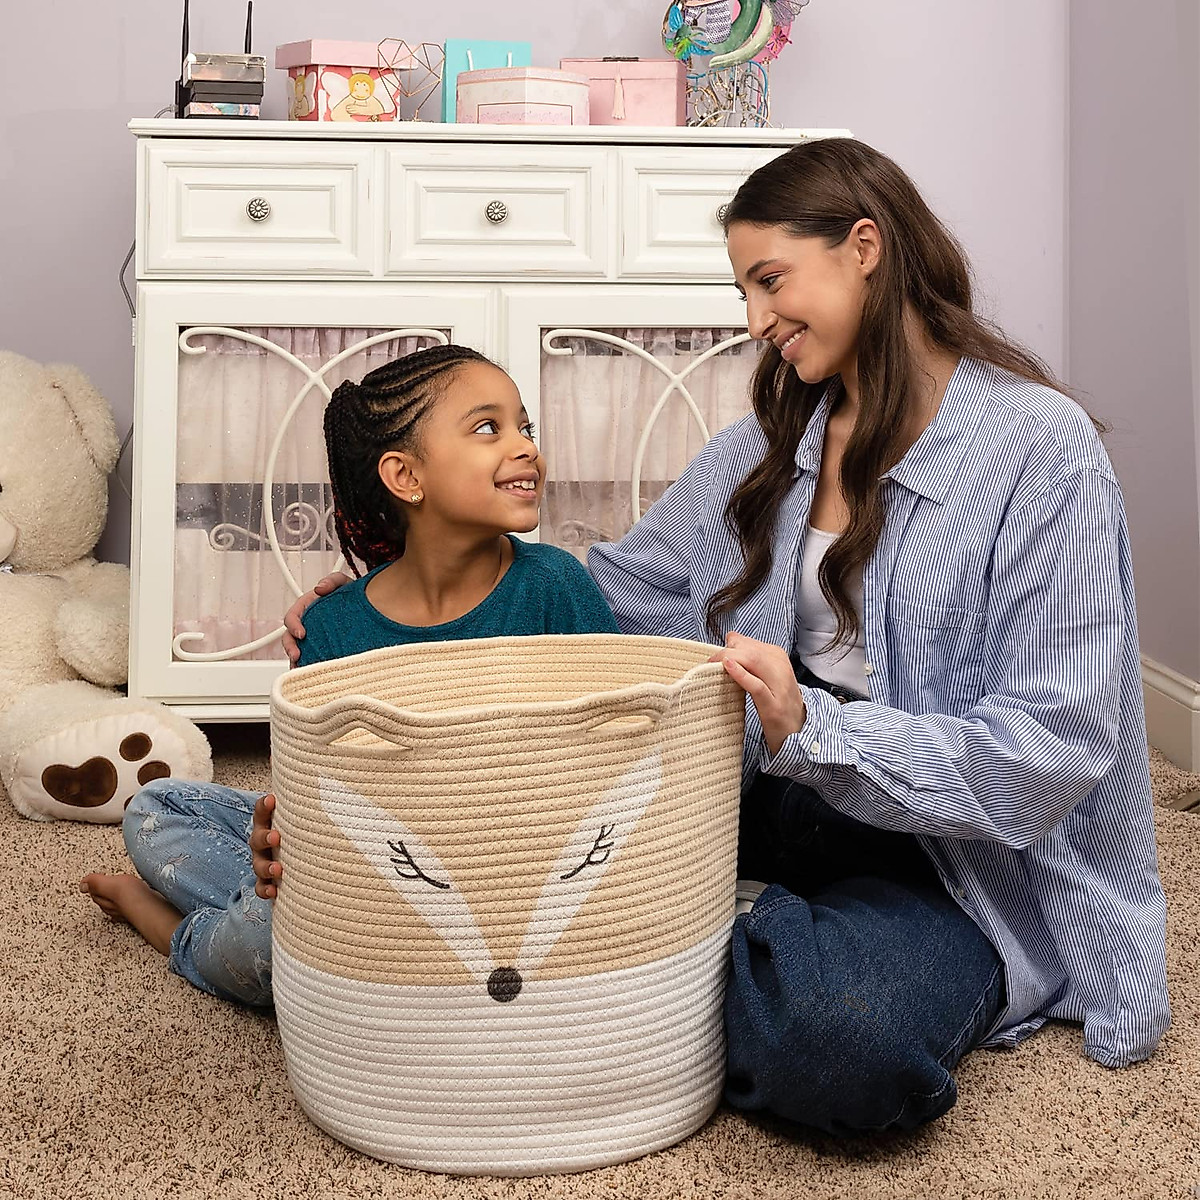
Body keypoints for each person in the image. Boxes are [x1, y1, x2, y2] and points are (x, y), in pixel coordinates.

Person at [279, 139, 1169, 1137]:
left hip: (936, 855)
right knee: (441, 851)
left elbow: (1050, 756)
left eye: (771, 281)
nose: (755, 322)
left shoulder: (1040, 453)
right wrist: (392, 595)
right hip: (739, 799)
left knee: (834, 1049)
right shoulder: (760, 450)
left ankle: (730, 945)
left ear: (864, 247)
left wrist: (813, 730)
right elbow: (605, 596)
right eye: (746, 289)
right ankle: (721, 940)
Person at [80, 344, 618, 1008]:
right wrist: (275, 846)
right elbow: (318, 796)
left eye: (525, 428)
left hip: (507, 882)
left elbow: (613, 753)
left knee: (280, 956)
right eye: (489, 428)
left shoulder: (556, 586)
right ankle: (249, 910)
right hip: (370, 873)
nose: (526, 447)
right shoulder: (333, 628)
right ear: (405, 476)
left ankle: (176, 933)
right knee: (155, 808)